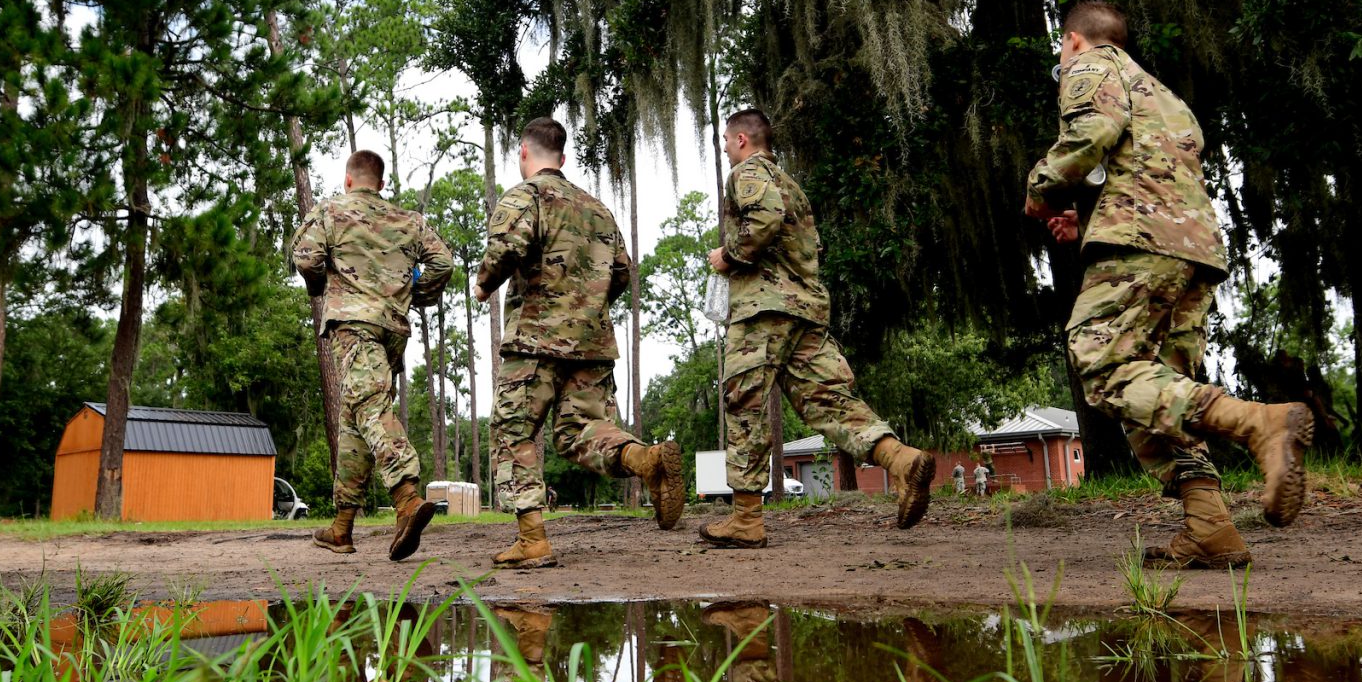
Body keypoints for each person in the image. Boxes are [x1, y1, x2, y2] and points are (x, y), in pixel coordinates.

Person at [1022, 0, 1312, 569]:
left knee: (1103, 363)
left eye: (1063, 49)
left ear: (1074, 39)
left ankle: (1260, 424)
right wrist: (1087, 217)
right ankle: (1210, 528)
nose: (1064, 58)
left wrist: (1042, 191)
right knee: (1159, 394)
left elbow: (1090, 134)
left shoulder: (1090, 64)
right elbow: (1152, 173)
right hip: (1193, 249)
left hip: (1142, 242)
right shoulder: (1167, 97)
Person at [699, 108, 936, 549]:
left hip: (763, 311)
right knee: (828, 399)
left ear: (743, 141)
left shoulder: (747, 173)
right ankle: (901, 460)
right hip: (806, 311)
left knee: (744, 404)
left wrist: (729, 256)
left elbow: (764, 219)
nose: (726, 149)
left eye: (726, 141)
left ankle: (746, 519)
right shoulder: (793, 186)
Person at [473, 117, 686, 569]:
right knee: (579, 431)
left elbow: (506, 247)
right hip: (591, 341)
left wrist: (484, 284)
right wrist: (587, 303)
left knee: (513, 432)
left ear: (524, 154)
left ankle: (532, 539)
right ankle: (644, 459)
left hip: (535, 339)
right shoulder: (597, 208)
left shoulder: (525, 196)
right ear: (563, 157)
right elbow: (623, 271)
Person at [292, 149, 453, 560]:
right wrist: (417, 295)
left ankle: (406, 499)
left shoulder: (330, 211)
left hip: (353, 323)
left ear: (349, 180)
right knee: (355, 415)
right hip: (392, 326)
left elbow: (306, 257)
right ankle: (342, 528)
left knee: (368, 407)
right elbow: (442, 262)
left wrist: (319, 288)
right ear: (380, 184)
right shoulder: (408, 220)